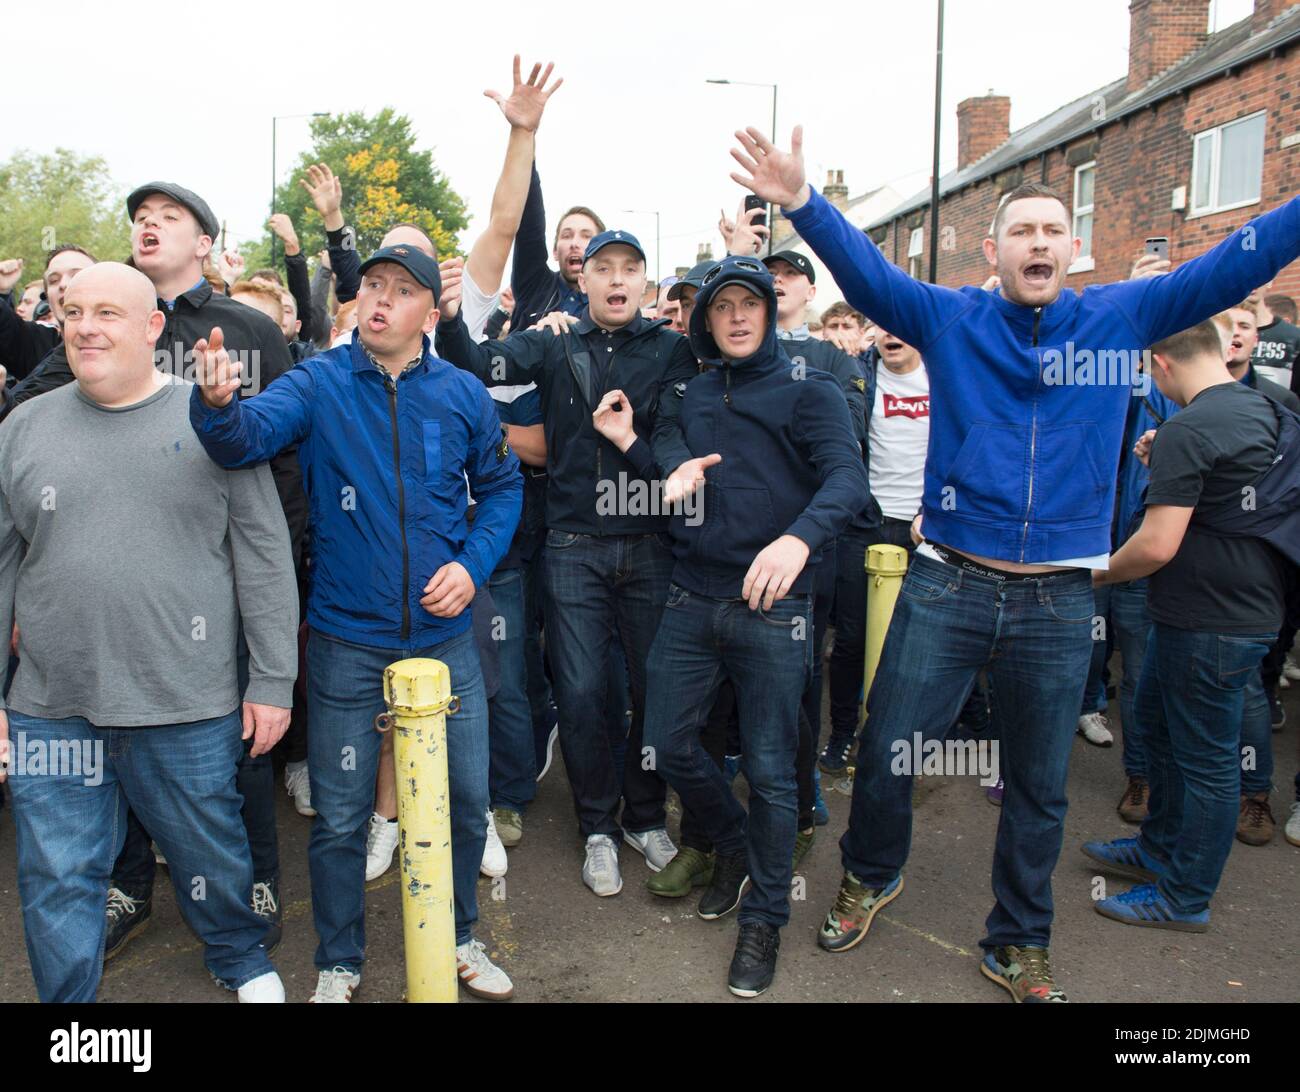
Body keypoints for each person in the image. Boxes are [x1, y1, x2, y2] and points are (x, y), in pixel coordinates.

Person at [731, 123, 1300, 1002]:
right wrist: (803, 202)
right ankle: (870, 873)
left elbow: (1237, 260)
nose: (1039, 243)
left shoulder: (1122, 315)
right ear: (992, 251)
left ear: (1074, 248)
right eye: (1021, 232)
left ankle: (1019, 938)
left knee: (1039, 784)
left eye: (1052, 231)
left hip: (1060, 604)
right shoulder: (949, 317)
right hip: (947, 583)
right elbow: (868, 275)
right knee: (887, 752)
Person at [190, 242, 521, 1002]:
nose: (378, 299)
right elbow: (244, 437)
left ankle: (461, 936)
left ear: (428, 314)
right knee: (340, 818)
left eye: (400, 290)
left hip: (446, 640)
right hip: (346, 638)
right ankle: (339, 960)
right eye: (371, 285)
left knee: (466, 800)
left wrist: (471, 567)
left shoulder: (464, 393)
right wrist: (214, 403)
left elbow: (504, 488)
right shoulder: (319, 382)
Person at [0, 262, 298, 1003]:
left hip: (185, 701)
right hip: (50, 703)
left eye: (107, 311)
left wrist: (271, 680)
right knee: (57, 876)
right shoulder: (23, 426)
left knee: (211, 851)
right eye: (73, 311)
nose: (86, 326)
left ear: (153, 327)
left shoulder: (212, 421)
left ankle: (237, 955)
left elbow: (264, 557)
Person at [436, 228, 695, 897]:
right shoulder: (553, 340)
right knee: (581, 694)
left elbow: (678, 443)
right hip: (571, 546)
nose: (615, 278)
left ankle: (644, 816)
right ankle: (598, 828)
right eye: (602, 267)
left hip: (652, 545)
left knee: (652, 691)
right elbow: (475, 364)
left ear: (645, 281)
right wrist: (447, 314)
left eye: (629, 269)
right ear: (583, 281)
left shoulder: (674, 350)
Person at [642, 255, 868, 996]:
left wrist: (798, 538)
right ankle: (731, 844)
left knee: (772, 773)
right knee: (668, 743)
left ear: (771, 312)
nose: (737, 315)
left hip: (775, 606)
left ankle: (764, 918)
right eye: (722, 306)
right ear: (705, 319)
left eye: (751, 303)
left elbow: (847, 479)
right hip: (691, 594)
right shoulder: (693, 386)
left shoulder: (812, 389)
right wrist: (673, 467)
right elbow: (669, 434)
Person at [1085, 317, 1293, 931]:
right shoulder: (1258, 408)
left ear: (1163, 364)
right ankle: (1157, 848)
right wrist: (1165, 453)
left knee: (1204, 759)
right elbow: (1228, 488)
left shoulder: (1189, 428)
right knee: (1162, 730)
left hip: (1211, 619)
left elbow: (1154, 546)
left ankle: (1184, 896)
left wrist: (1093, 576)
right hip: (1238, 608)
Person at [1246, 282, 1299, 389]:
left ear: (1270, 282)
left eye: (1259, 274)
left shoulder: (1294, 337)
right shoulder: (1219, 335)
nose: (1252, 280)